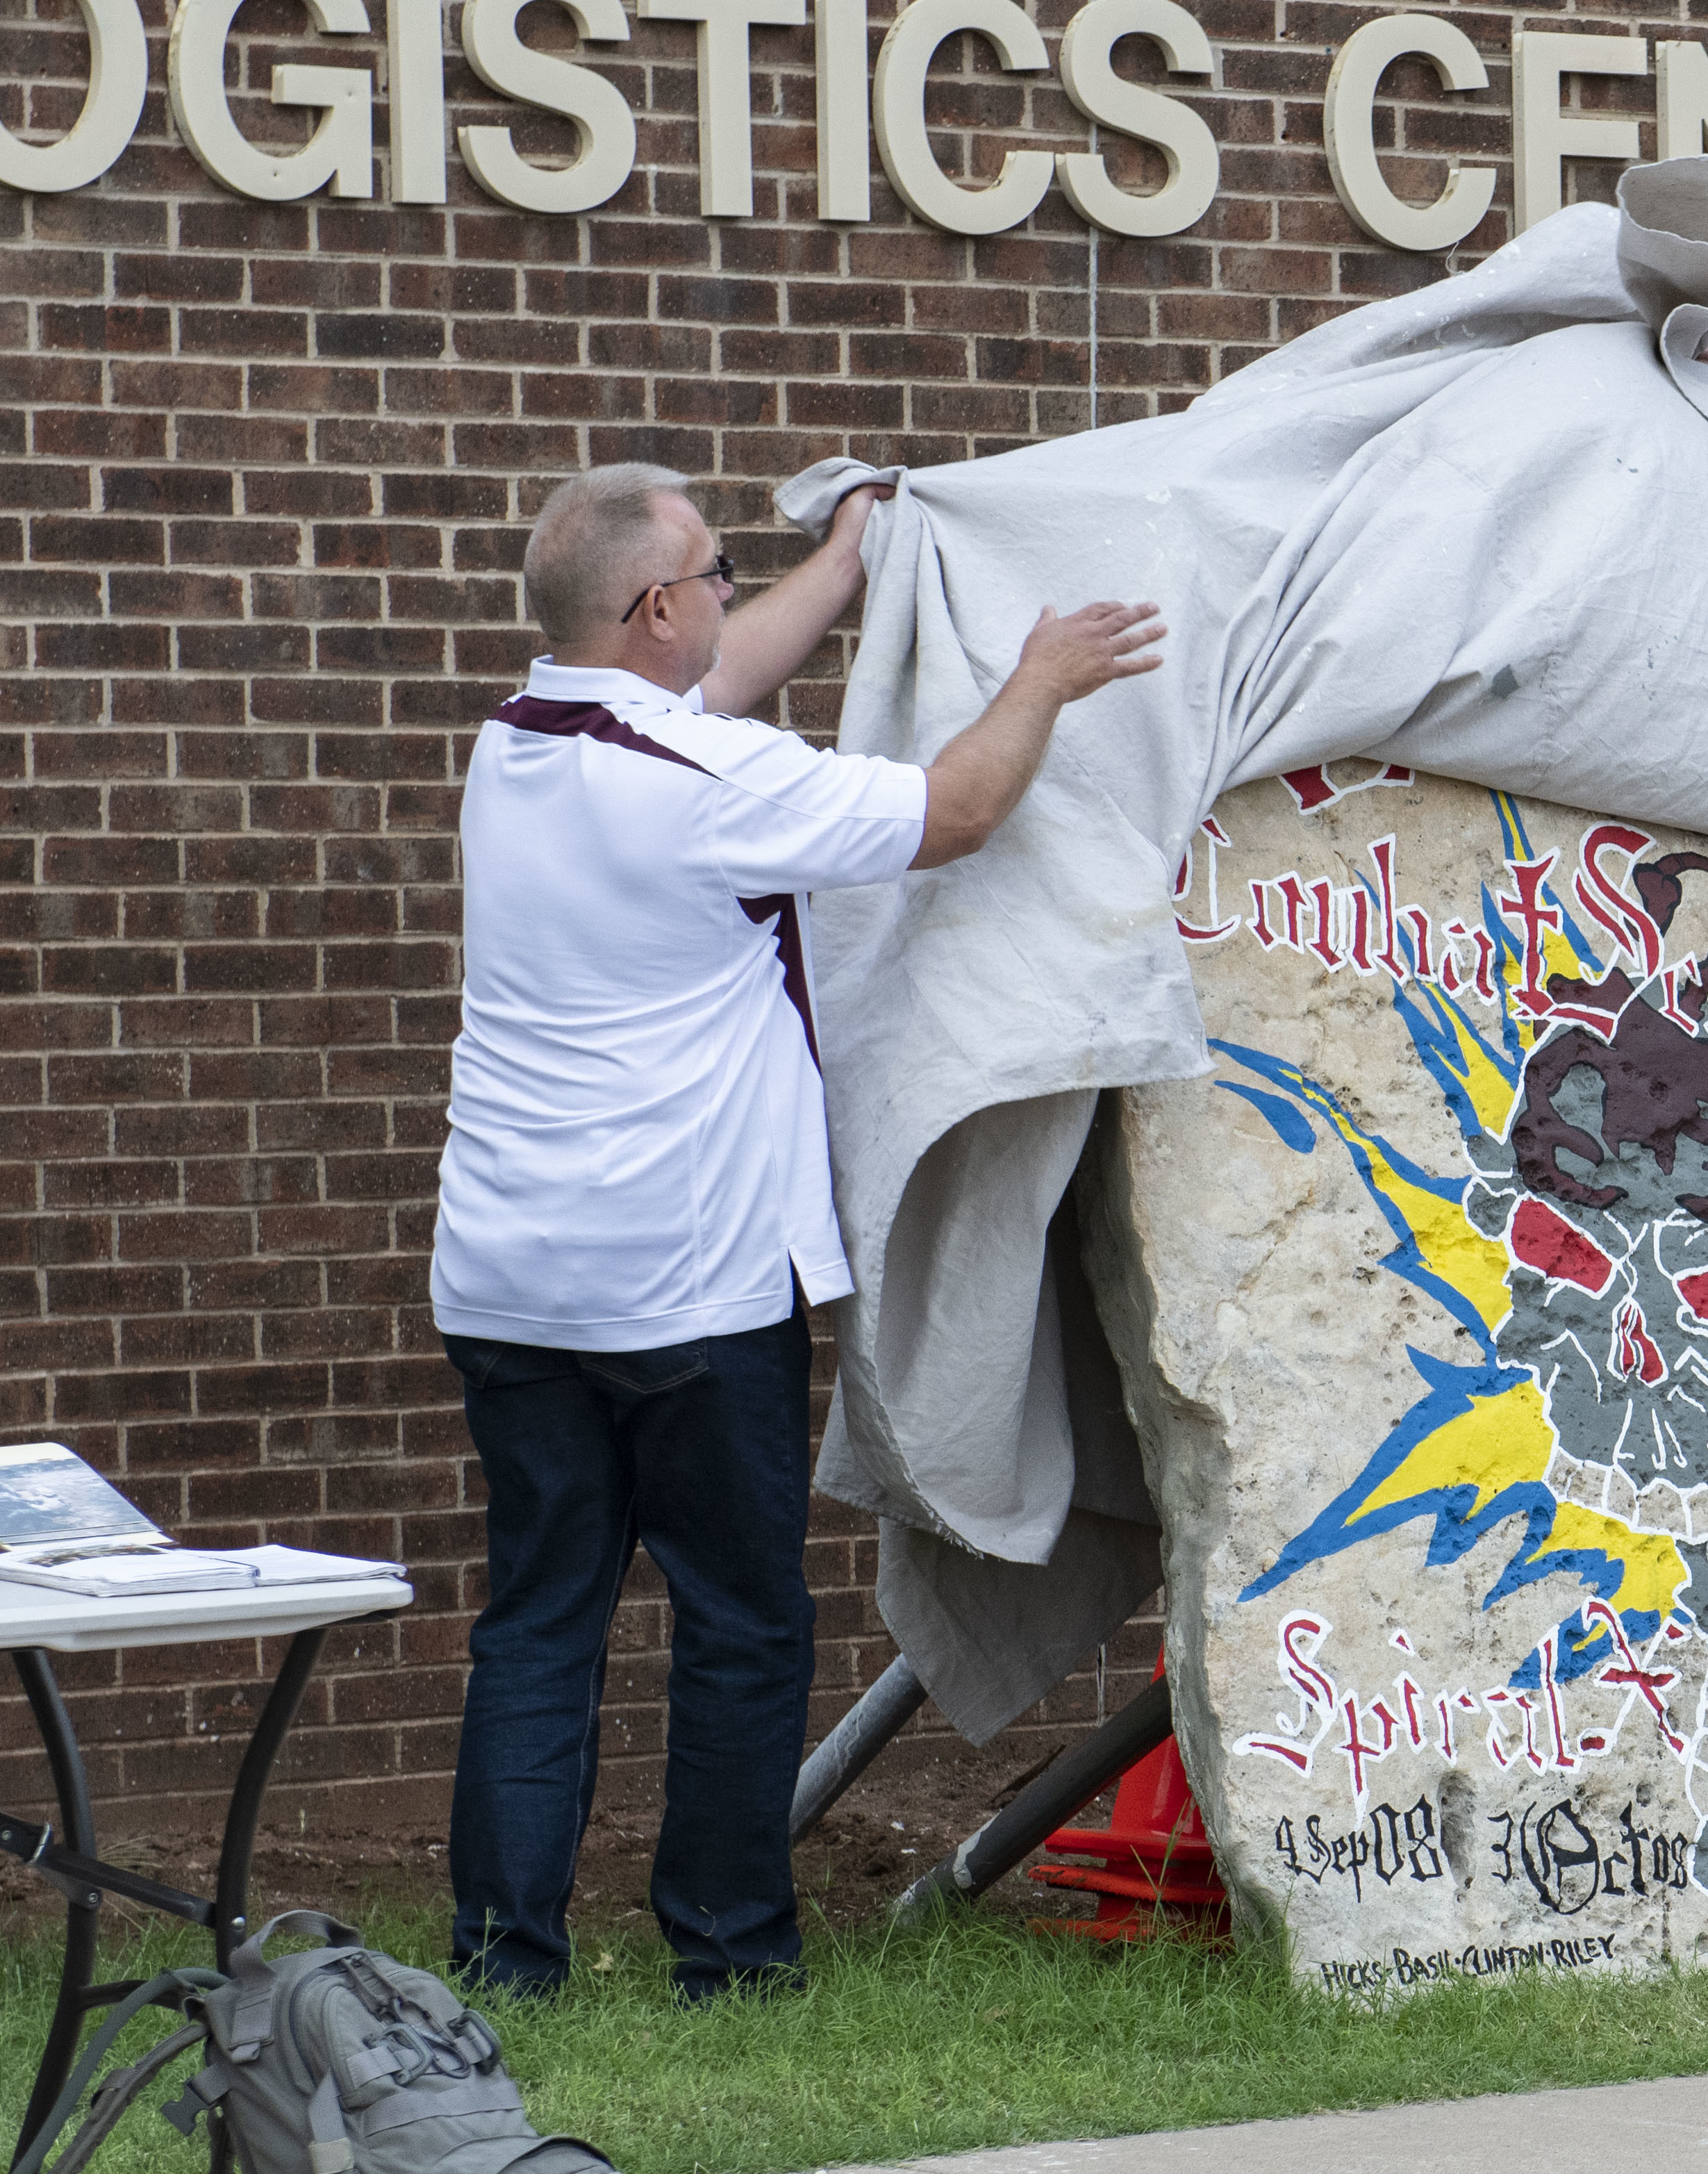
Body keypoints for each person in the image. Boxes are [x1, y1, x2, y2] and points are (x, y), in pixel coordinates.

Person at [431, 462, 1161, 1998]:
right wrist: (1042, 675)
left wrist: (837, 569)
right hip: (687, 1287)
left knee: (539, 1622)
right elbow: (958, 810)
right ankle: (729, 1953)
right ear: (650, 608)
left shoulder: (522, 737)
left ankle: (504, 1962)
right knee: (743, 1622)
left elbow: (717, 676)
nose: (721, 588)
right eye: (711, 569)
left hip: (509, 1279)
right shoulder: (707, 789)